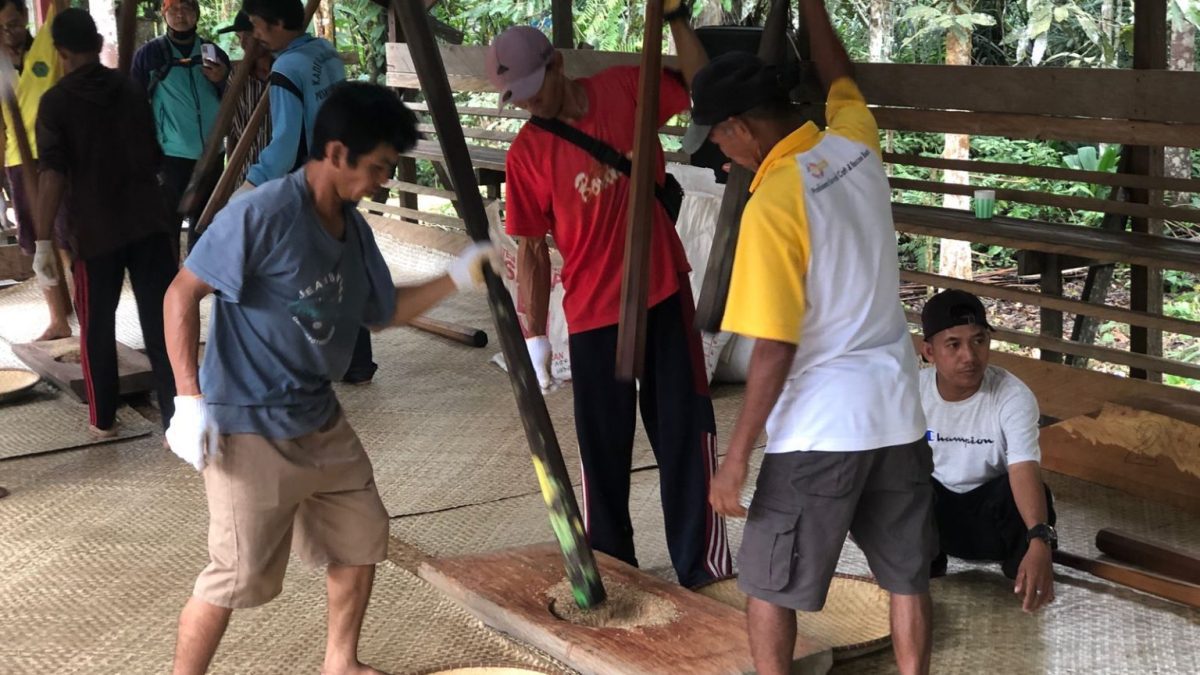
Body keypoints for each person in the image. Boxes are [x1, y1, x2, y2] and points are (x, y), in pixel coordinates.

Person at [162, 81, 495, 675]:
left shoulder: (355, 229)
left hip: (319, 417)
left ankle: (340, 663)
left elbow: (382, 312)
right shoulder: (262, 213)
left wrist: (457, 275)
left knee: (361, 534)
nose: (383, 181)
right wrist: (189, 401)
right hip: (248, 426)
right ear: (337, 153)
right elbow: (181, 294)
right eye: (379, 167)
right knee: (235, 574)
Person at [700, 1, 936, 673]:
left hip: (822, 427)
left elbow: (774, 349)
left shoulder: (773, 204)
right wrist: (812, 6)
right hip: (895, 409)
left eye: (718, 138)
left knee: (766, 579)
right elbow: (840, 76)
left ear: (741, 127)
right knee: (904, 572)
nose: (720, 152)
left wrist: (736, 455)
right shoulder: (854, 143)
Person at [487, 2, 732, 590]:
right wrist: (537, 335)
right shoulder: (526, 154)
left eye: (533, 87)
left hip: (662, 290)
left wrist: (674, 19)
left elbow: (704, 89)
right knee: (602, 452)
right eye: (516, 95)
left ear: (559, 65)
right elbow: (532, 250)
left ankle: (703, 567)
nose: (528, 102)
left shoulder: (627, 88)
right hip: (594, 312)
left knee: (683, 428)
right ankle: (617, 571)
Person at [32, 9, 177, 437]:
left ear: (60, 52)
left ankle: (103, 419)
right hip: (149, 222)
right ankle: (177, 416)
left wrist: (43, 240)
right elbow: (154, 154)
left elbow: (53, 174)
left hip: (95, 232)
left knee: (96, 326)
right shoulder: (131, 89)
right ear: (97, 44)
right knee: (162, 322)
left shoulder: (55, 102)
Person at [240, 0, 382, 385]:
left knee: (304, 273)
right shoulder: (326, 53)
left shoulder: (287, 67)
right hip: (345, 168)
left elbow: (286, 141)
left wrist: (253, 184)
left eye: (257, 26)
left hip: (313, 177)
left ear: (277, 24)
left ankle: (306, 362)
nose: (255, 35)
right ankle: (356, 362)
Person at [919, 289, 1057, 613]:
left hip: (989, 520)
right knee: (895, 482)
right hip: (935, 516)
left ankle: (1022, 561)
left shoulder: (1012, 396)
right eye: (953, 344)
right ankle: (926, 560)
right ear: (929, 352)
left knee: (1031, 496)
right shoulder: (910, 389)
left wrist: (1040, 539)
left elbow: (1024, 467)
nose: (969, 355)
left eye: (979, 341)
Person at [131, 0, 230, 256]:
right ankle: (169, 286)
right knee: (168, 227)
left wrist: (221, 81)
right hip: (171, 157)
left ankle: (198, 282)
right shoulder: (149, 55)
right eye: (173, 9)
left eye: (186, 8)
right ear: (164, 14)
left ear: (196, 14)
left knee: (207, 225)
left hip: (211, 155)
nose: (180, 14)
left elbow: (233, 99)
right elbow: (134, 104)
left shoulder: (213, 53)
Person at [1, 0, 71, 340]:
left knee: (66, 238)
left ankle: (84, 312)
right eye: (0, 28)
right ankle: (58, 319)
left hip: (57, 154)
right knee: (39, 243)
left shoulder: (47, 42)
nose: (8, 33)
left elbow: (61, 5)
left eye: (13, 24)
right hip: (18, 159)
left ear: (26, 17)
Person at [217, 11, 272, 185]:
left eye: (247, 36)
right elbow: (233, 131)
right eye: (239, 37)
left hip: (280, 176)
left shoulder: (285, 73)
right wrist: (231, 176)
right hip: (246, 176)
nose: (243, 44)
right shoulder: (237, 77)